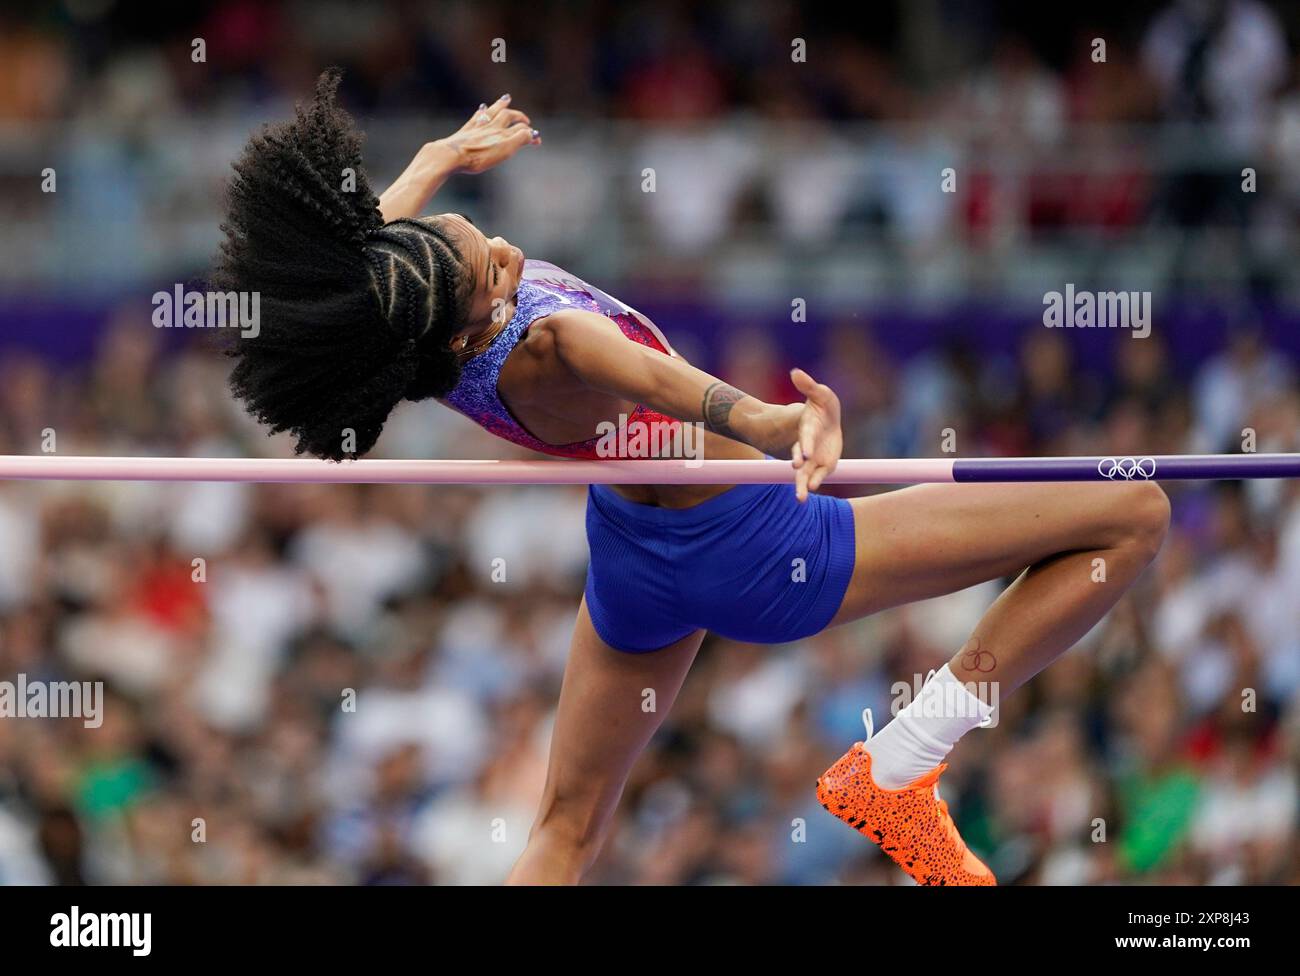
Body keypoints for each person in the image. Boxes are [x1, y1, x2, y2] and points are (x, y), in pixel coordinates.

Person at [217, 71, 1171, 885]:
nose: (502, 252)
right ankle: (900, 768)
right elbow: (673, 385)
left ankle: (896, 772)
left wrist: (436, 157)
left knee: (566, 829)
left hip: (634, 562)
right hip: (760, 548)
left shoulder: (413, 330)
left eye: (475, 236)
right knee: (1133, 511)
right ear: (476, 322)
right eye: (494, 273)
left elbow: (368, 268)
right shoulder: (549, 345)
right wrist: (778, 419)